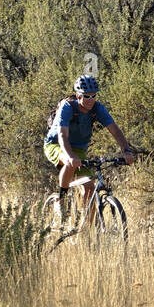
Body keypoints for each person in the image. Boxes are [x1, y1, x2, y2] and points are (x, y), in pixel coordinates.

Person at [44, 75, 134, 223]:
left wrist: (126, 150)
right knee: (68, 162)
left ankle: (86, 229)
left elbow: (115, 130)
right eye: (87, 96)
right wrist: (71, 156)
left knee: (90, 189)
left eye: (93, 96)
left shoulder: (97, 108)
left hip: (78, 149)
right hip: (56, 144)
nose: (91, 99)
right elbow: (62, 135)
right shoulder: (68, 107)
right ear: (78, 95)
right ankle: (60, 200)